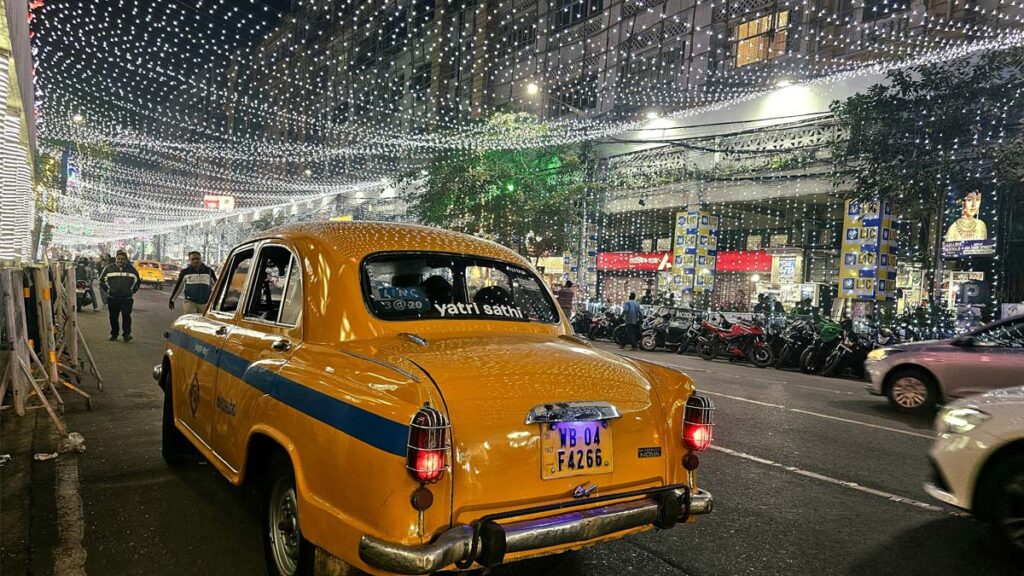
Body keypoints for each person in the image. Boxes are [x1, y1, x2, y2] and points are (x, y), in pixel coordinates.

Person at [99, 251, 141, 342]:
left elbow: (137, 281)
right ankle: (114, 334)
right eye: (118, 259)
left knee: (126, 316)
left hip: (127, 299)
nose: (120, 261)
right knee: (113, 317)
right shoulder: (109, 269)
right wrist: (109, 290)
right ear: (116, 259)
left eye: (123, 259)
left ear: (126, 260)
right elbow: (102, 281)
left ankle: (126, 334)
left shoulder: (132, 270)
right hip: (113, 298)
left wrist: (132, 291)